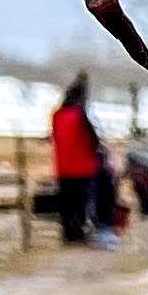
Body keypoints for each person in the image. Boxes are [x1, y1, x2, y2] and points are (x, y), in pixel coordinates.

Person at [48, 74, 102, 247]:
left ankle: (67, 232)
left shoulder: (57, 115)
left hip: (63, 167)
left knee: (66, 202)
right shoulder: (79, 115)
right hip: (82, 167)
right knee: (81, 202)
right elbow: (93, 140)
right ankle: (78, 232)